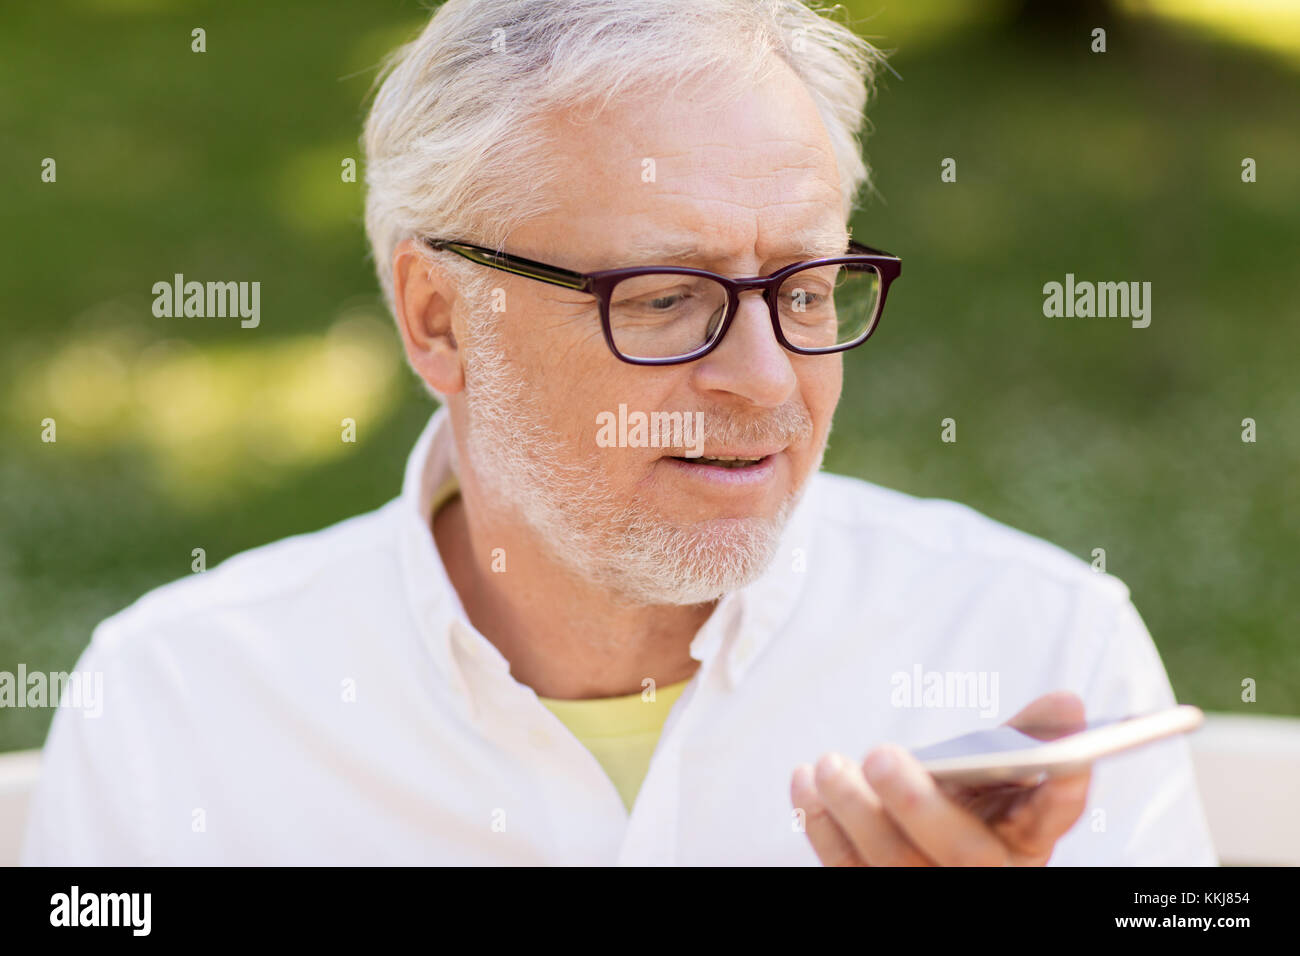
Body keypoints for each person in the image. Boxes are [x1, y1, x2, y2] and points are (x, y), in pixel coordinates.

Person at [22, 0, 1216, 865]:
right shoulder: (181, 704)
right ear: (438, 318)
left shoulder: (1035, 645)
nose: (766, 380)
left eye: (803, 289)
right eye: (662, 298)